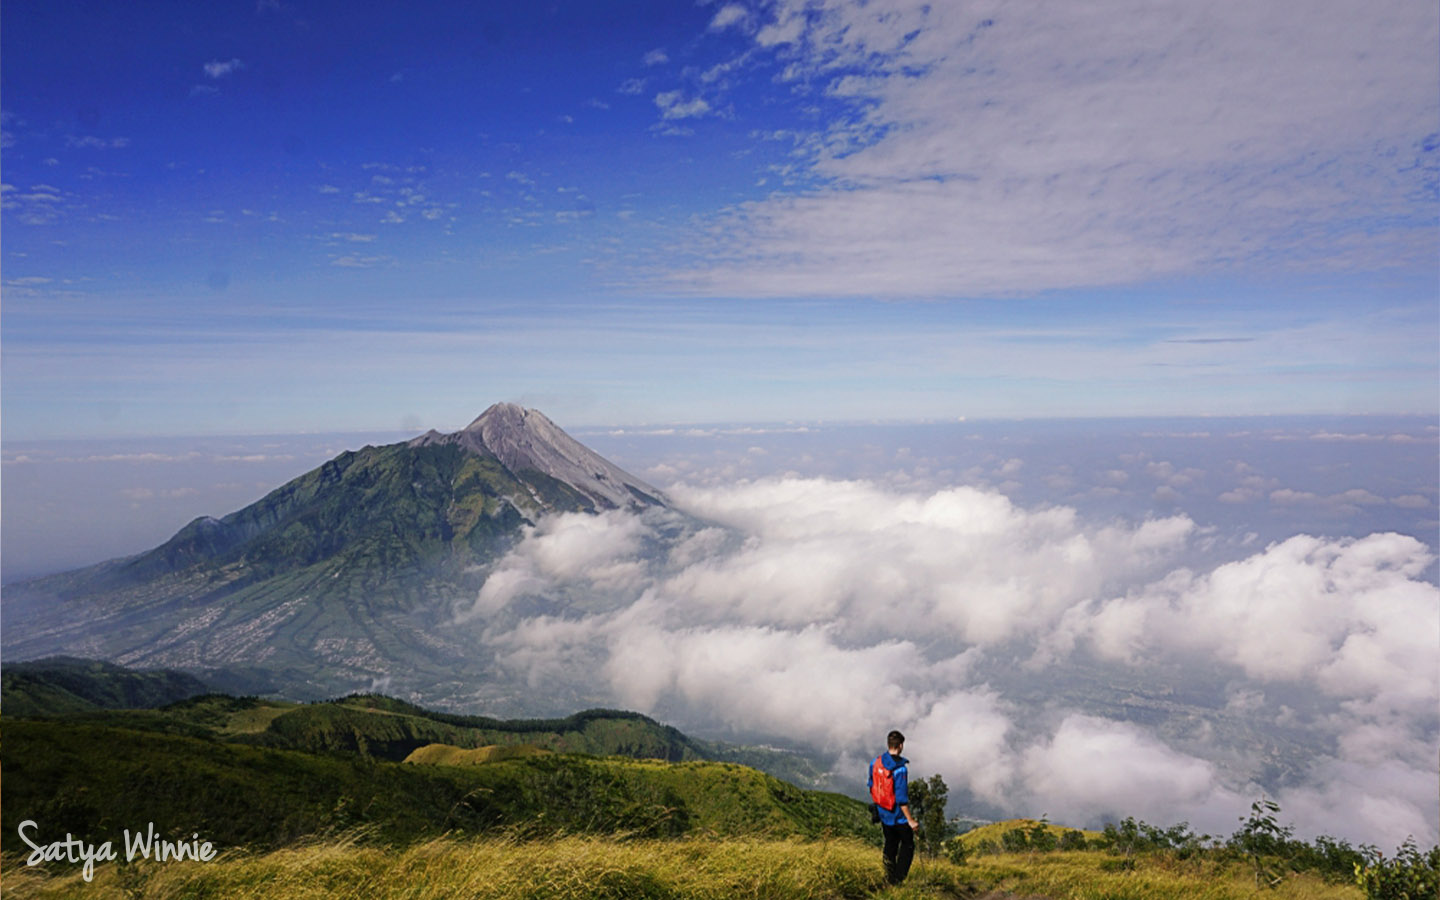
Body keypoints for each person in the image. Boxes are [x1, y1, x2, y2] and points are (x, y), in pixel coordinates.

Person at [868, 729, 919, 885]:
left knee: (890, 844)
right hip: (898, 816)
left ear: (888, 744)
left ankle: (888, 876)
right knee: (908, 844)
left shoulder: (875, 762)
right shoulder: (900, 769)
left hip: (883, 813)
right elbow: (902, 799)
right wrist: (910, 820)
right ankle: (898, 879)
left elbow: (871, 785)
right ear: (901, 745)